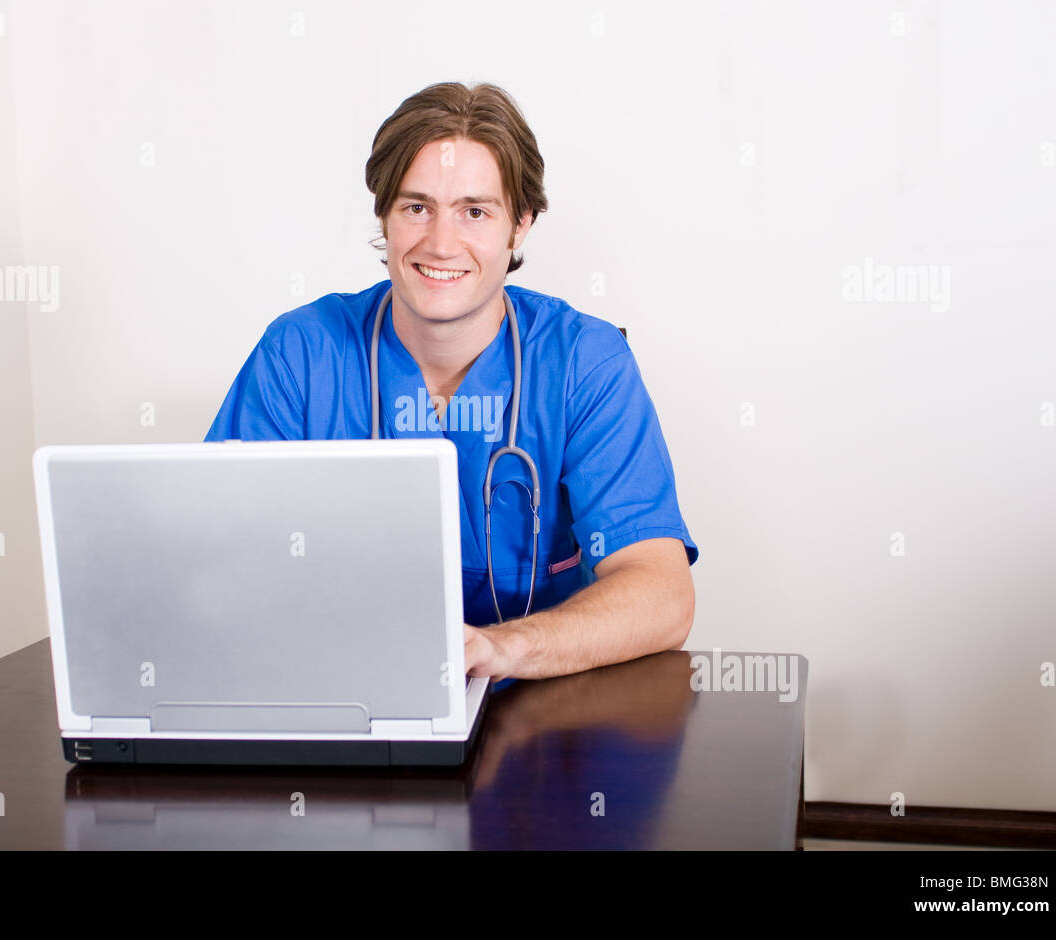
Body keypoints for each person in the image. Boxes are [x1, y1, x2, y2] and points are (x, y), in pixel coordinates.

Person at [205, 81, 697, 682]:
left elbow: (663, 594)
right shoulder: (301, 355)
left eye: (475, 211)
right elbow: (216, 562)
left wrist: (502, 651)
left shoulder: (583, 364)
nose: (441, 243)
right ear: (384, 217)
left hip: (547, 721)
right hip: (349, 704)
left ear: (520, 225)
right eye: (416, 207)